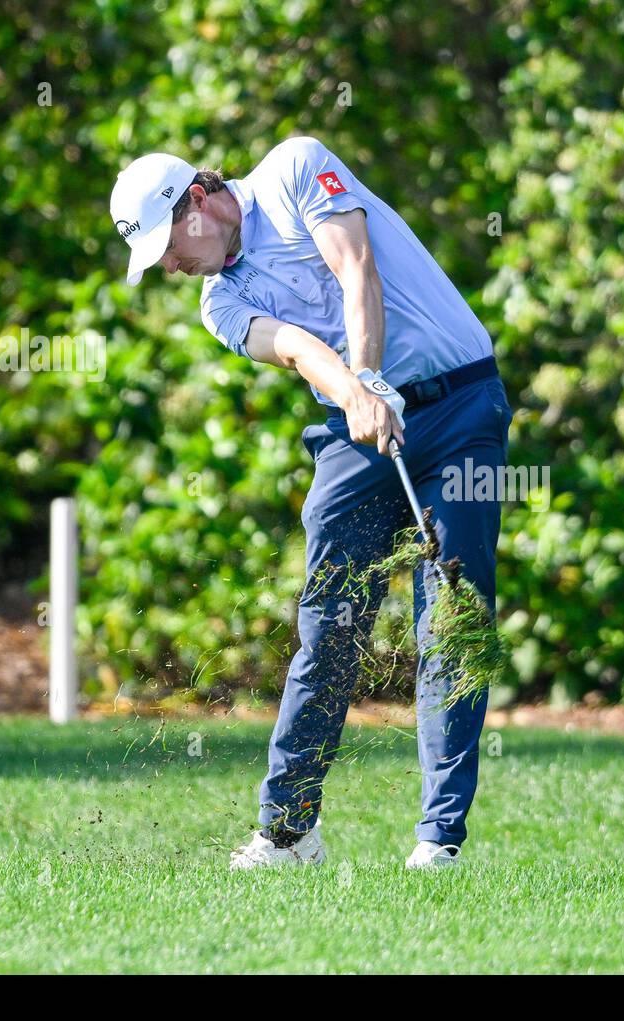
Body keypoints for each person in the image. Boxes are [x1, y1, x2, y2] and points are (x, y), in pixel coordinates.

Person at [109, 136, 510, 869]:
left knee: (449, 614)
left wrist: (369, 374)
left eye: (168, 245)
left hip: (460, 409)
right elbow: (295, 347)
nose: (170, 266)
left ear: (197, 199)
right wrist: (359, 389)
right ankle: (289, 833)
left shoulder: (295, 168)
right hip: (354, 428)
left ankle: (439, 840)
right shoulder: (219, 303)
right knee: (329, 622)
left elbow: (353, 263)